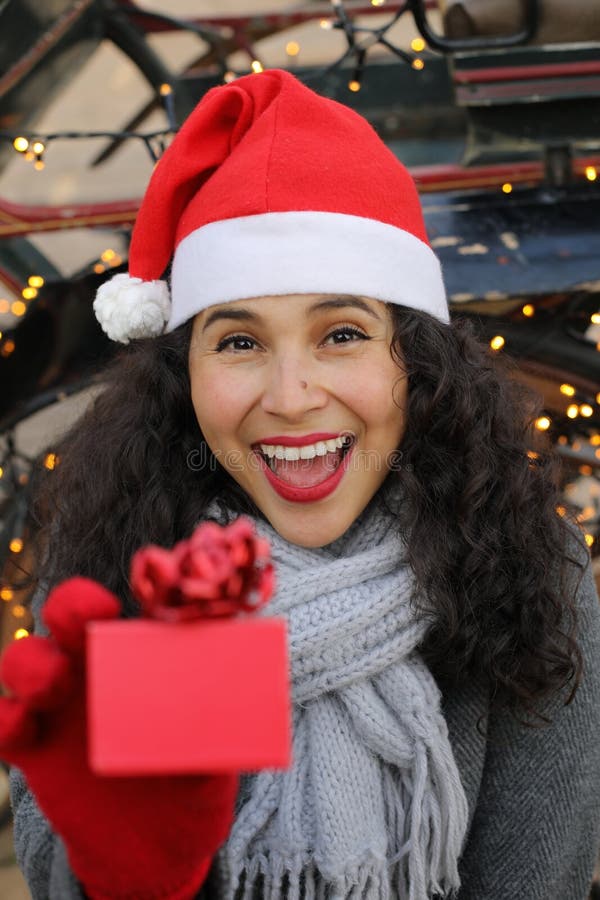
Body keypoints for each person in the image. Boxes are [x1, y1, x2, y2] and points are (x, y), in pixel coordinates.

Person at [1, 68, 599, 900]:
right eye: (239, 343)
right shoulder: (116, 545)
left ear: (415, 362)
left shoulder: (528, 561)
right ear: (184, 375)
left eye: (342, 333)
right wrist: (124, 867)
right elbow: (57, 868)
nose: (290, 398)